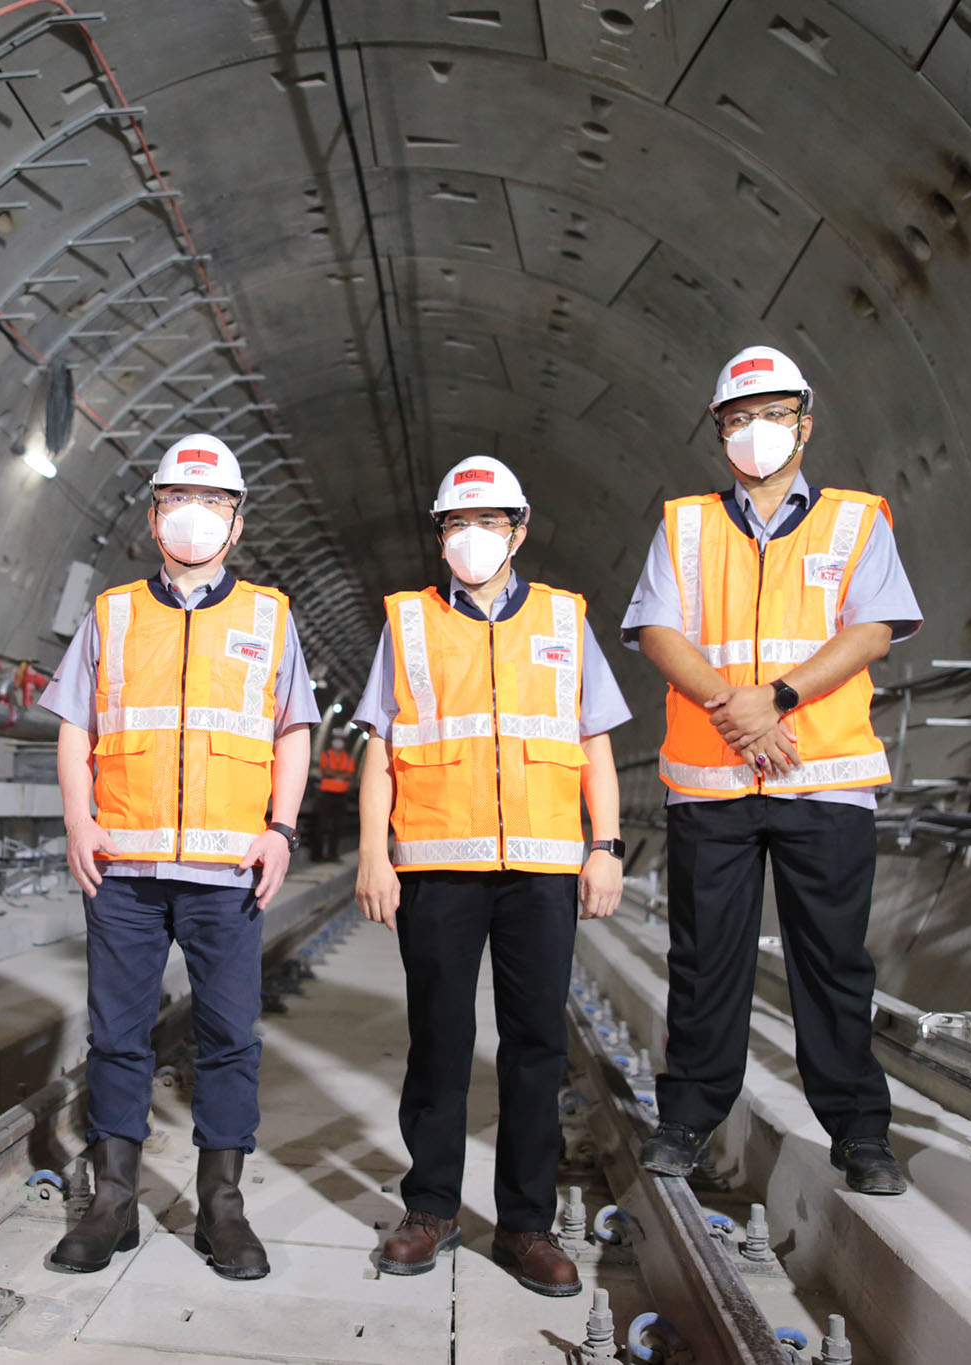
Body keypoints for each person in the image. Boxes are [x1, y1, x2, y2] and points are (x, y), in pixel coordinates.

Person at [620, 345, 922, 1196]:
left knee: (831, 961)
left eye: (775, 414)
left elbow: (871, 629)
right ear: (720, 432)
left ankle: (860, 1133)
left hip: (822, 776)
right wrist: (737, 709)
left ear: (806, 423)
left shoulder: (858, 520)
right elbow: (659, 631)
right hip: (713, 780)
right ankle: (685, 1119)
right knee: (705, 959)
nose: (757, 431)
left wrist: (778, 697)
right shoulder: (686, 524)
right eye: (740, 418)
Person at [39, 433, 319, 1282]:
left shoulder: (269, 616)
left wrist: (282, 828)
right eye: (178, 501)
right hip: (123, 863)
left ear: (236, 524)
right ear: (155, 513)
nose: (194, 517)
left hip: (227, 869)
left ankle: (221, 1207)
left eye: (213, 505)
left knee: (231, 1037)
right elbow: (76, 725)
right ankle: (115, 1198)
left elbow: (293, 729)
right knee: (119, 1034)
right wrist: (79, 821)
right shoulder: (113, 613)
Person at [353, 455, 629, 1298]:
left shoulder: (563, 617)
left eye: (487, 522)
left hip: (541, 867)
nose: (471, 537)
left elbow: (594, 745)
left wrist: (606, 844)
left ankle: (525, 1223)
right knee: (439, 1041)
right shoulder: (407, 624)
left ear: (519, 528)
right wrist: (374, 851)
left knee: (537, 1050)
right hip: (437, 865)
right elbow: (379, 750)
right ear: (441, 534)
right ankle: (431, 1208)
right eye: (455, 524)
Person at [311, 732, 357, 861]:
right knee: (321, 825)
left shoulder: (348, 758)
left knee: (337, 827)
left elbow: (349, 775)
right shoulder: (326, 755)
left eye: (341, 739)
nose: (338, 741)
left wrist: (335, 774)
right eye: (336, 739)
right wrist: (341, 774)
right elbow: (326, 771)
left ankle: (333, 854)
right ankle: (317, 855)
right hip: (325, 794)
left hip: (341, 796)